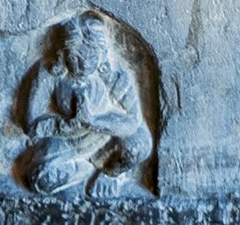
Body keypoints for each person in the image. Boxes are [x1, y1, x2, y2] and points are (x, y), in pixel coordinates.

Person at [19, 14, 153, 198]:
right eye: (74, 57)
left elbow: (133, 120)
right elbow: (31, 123)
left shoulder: (114, 75)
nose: (83, 66)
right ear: (62, 54)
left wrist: (94, 122)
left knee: (138, 146)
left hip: (107, 138)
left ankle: (110, 173)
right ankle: (83, 170)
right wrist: (63, 125)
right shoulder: (50, 73)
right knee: (39, 178)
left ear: (102, 53)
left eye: (91, 57)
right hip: (68, 140)